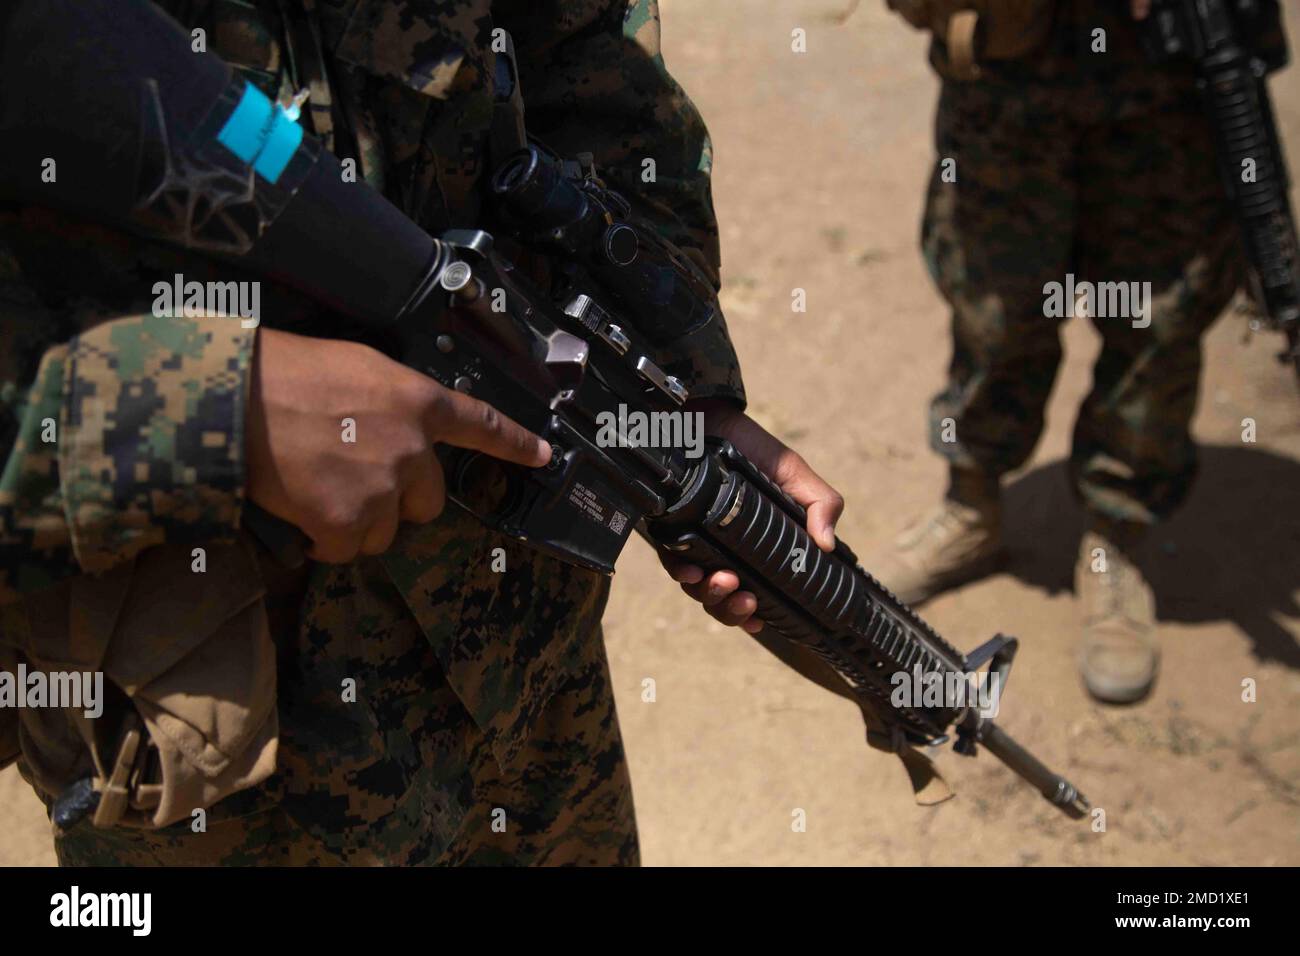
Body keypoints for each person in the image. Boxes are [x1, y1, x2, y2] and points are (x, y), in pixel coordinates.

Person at [0, 0, 843, 865]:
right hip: (211, 738)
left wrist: (674, 391)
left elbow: (586, 62)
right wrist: (209, 409)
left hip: (521, 669)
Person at [872, 0, 1254, 703]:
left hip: (1161, 74)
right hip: (1004, 55)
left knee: (1155, 319)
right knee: (994, 306)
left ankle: (1115, 537)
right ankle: (972, 507)